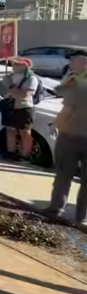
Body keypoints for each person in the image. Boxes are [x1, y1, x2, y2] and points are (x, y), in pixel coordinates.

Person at [47, 49, 87, 226]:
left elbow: (67, 108)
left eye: (73, 61)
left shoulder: (79, 82)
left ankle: (56, 209)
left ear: (83, 62)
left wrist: (54, 124)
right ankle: (82, 218)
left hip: (71, 134)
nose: (70, 64)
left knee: (63, 175)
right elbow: (59, 91)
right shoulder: (75, 79)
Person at [1, 57, 39, 161]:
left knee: (25, 132)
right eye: (13, 64)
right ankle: (10, 152)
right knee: (10, 130)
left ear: (25, 66)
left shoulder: (31, 78)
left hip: (24, 108)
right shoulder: (10, 77)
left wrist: (10, 87)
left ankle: (23, 155)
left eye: (17, 64)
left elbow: (24, 94)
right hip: (10, 107)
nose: (14, 66)